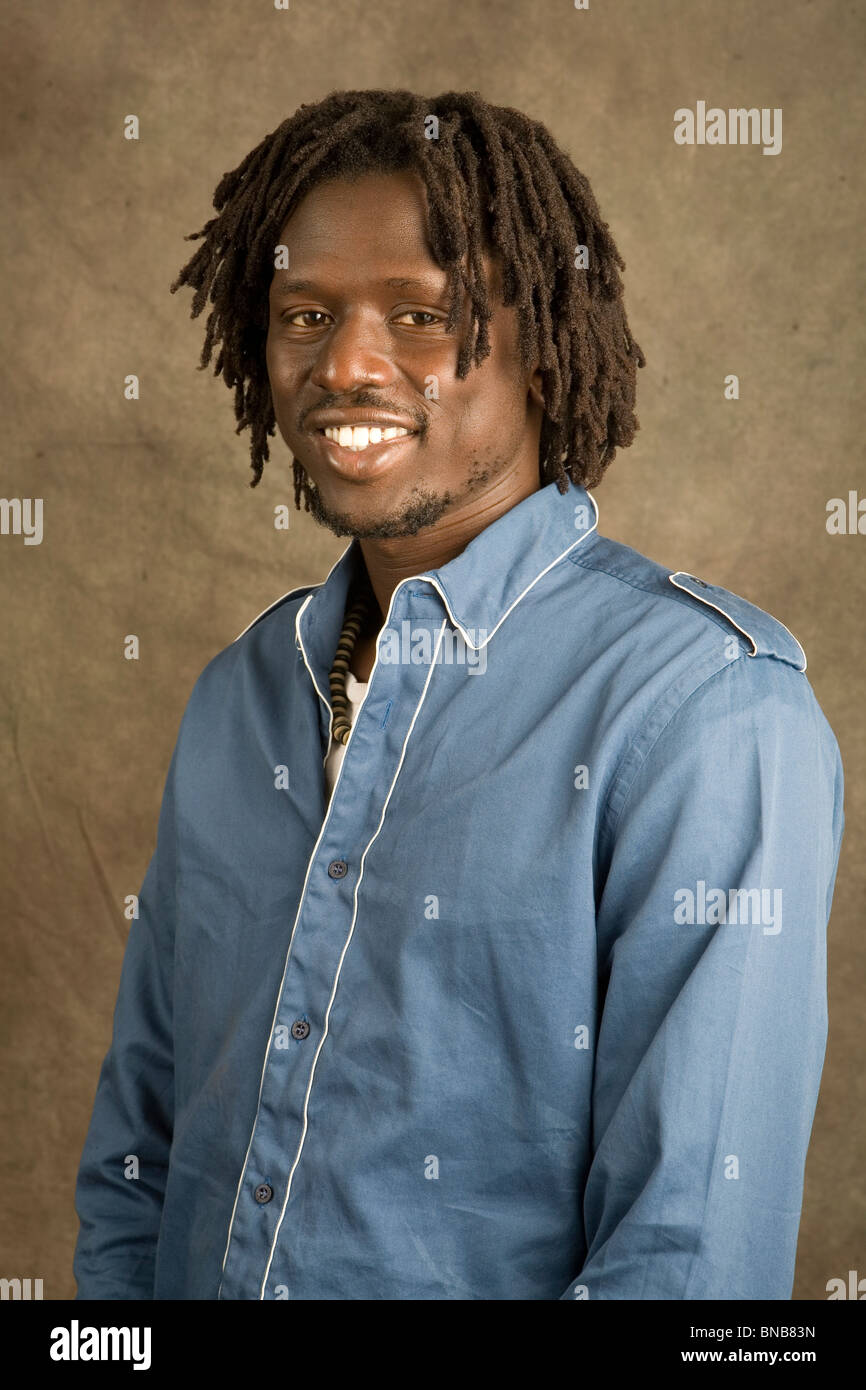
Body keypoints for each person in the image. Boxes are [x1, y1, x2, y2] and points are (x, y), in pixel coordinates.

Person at [73, 88, 844, 1300]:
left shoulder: (706, 712)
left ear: (540, 341)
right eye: (306, 314)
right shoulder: (235, 702)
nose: (344, 365)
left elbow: (686, 1263)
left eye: (422, 316)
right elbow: (137, 1166)